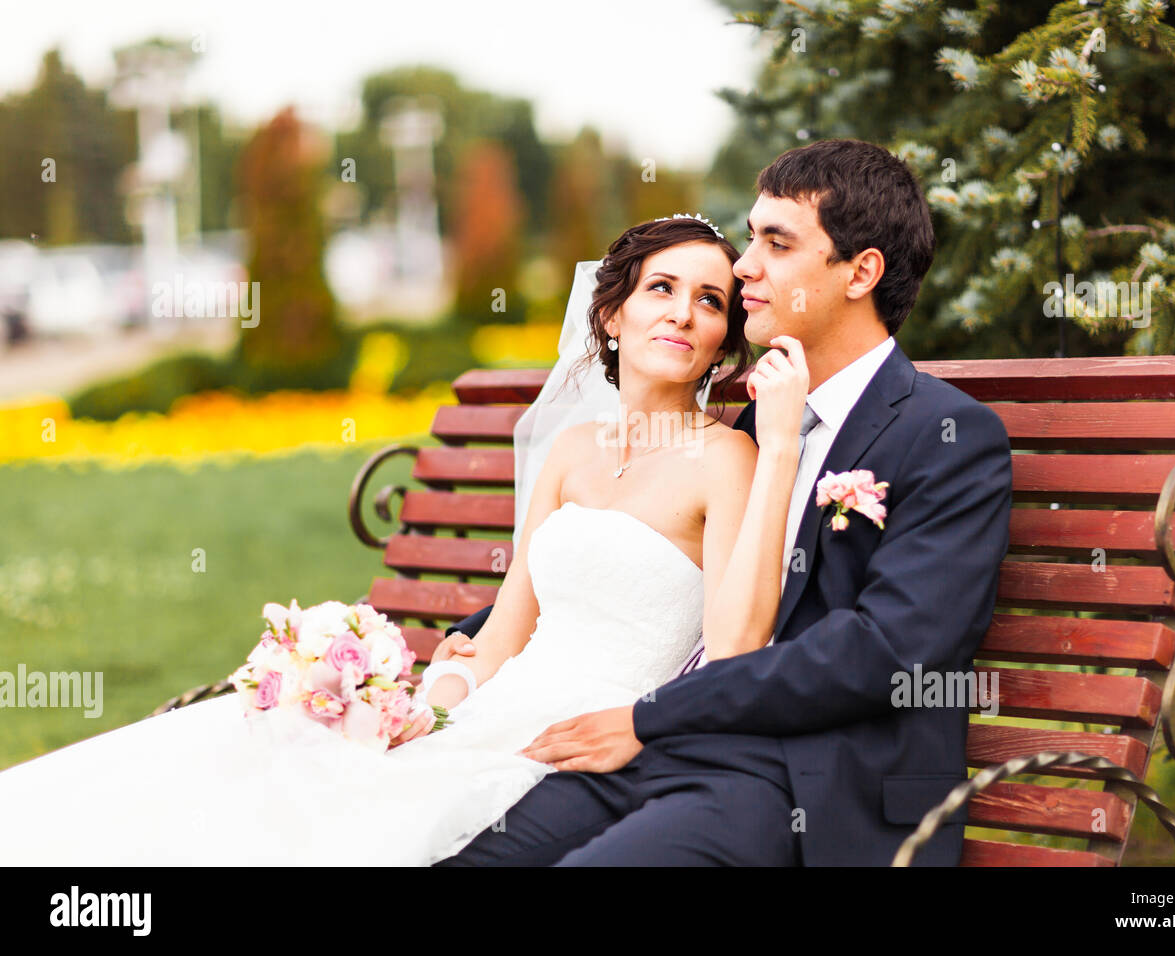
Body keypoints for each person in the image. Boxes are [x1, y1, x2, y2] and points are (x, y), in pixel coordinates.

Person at [0, 215, 811, 866]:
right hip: (495, 705)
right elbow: (503, 633)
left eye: (709, 300)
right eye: (660, 288)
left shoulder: (727, 457)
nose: (682, 311)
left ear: (722, 336)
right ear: (611, 313)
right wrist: (428, 702)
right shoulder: (570, 451)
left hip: (586, 737)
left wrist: (778, 448)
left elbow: (738, 644)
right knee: (263, 764)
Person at [434, 138, 1014, 867]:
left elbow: (885, 652)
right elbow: (637, 570)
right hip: (671, 755)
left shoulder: (945, 437)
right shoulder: (747, 430)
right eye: (749, 238)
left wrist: (652, 716)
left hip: (810, 787)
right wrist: (478, 637)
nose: (743, 267)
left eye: (776, 242)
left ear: (862, 271)